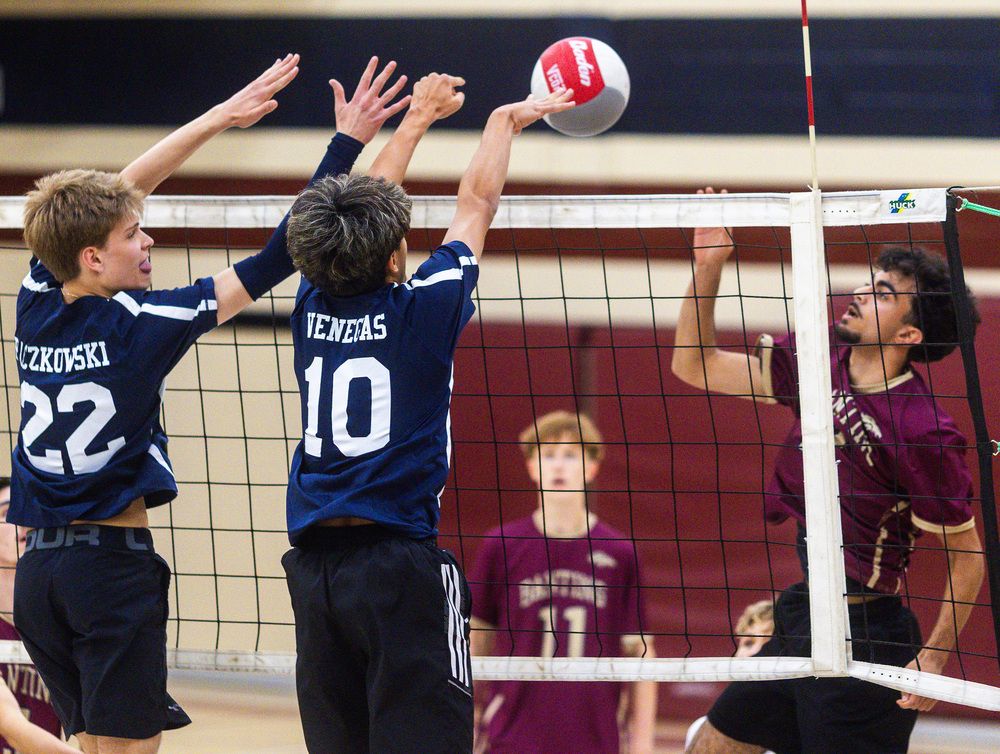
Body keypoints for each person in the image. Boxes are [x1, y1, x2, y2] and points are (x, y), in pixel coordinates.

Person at [11, 54, 410, 754]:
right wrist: (344, 146)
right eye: (133, 236)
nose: (148, 240)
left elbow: (118, 192)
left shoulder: (37, 298)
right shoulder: (145, 323)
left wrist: (222, 116)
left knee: (95, 749)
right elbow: (279, 256)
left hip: (38, 576)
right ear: (93, 258)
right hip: (108, 569)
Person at [281, 85, 575, 753]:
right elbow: (477, 204)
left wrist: (414, 120)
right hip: (399, 569)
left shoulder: (308, 302)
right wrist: (503, 121)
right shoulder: (426, 309)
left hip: (315, 574)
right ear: (393, 257)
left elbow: (358, 210)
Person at [672, 189, 986, 754]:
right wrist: (709, 265)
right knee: (711, 746)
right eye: (870, 282)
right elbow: (694, 364)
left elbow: (967, 556)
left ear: (909, 335)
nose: (862, 293)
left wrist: (935, 656)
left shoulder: (924, 431)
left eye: (884, 293)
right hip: (802, 614)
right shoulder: (818, 362)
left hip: (867, 638)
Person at [468, 411, 657, 754]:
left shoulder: (619, 553)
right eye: (548, 454)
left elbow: (640, 653)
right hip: (511, 736)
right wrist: (466, 721)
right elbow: (475, 643)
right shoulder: (501, 545)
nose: (558, 465)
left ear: (592, 468)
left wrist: (642, 745)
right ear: (531, 467)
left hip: (594, 738)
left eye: (571, 455)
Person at [0, 478, 76, 754]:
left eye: (30, 511)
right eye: (8, 512)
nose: (23, 521)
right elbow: (14, 729)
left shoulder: (62, 624)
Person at [684, 600, 775, 753]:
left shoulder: (807, 728)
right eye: (748, 643)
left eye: (769, 643)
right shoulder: (703, 730)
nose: (755, 652)